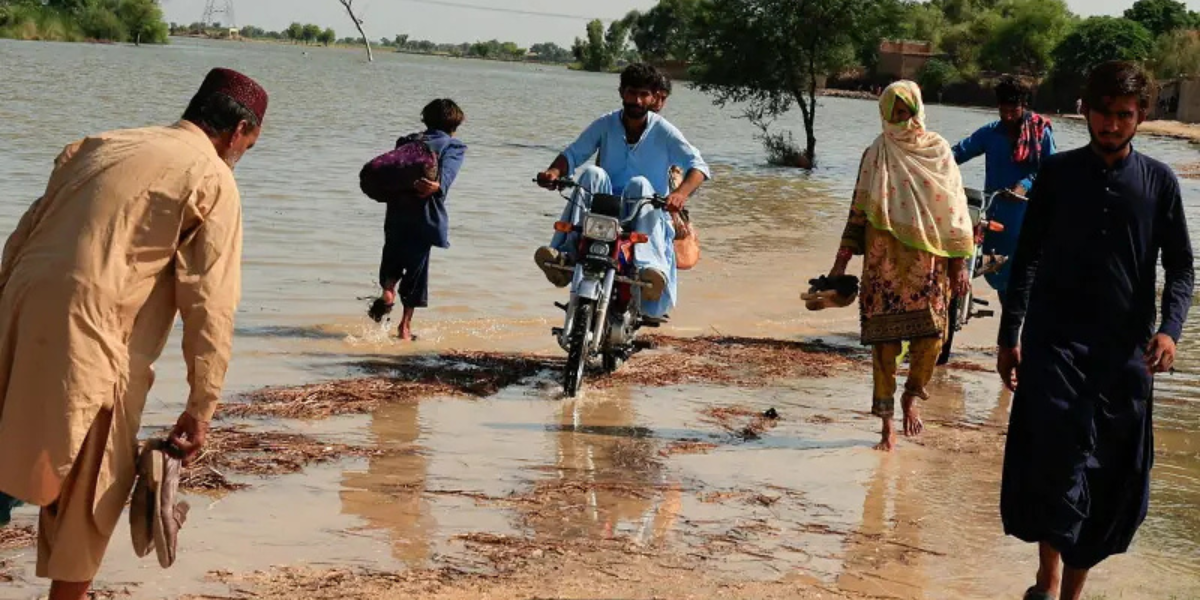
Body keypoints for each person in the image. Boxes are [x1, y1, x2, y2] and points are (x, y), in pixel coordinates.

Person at [0, 67, 267, 600]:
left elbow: (21, 240)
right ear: (238, 132)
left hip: (14, 313)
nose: (243, 154)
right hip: (95, 341)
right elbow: (210, 304)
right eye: (249, 145)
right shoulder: (212, 177)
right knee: (89, 499)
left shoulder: (99, 145)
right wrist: (201, 407)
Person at [997, 61, 1194, 600]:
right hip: (1054, 343)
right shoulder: (1057, 176)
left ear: (1142, 116)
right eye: (1103, 113)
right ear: (1085, 110)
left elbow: (1180, 267)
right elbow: (1027, 261)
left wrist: (1170, 329)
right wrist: (1008, 335)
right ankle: (1049, 577)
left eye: (1123, 115)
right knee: (1057, 462)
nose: (1110, 125)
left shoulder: (1160, 182)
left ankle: (1071, 590)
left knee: (1108, 474)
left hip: (1123, 352)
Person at [830, 80, 973, 452]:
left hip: (928, 265)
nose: (901, 123)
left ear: (918, 112)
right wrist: (839, 265)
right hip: (883, 266)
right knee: (884, 349)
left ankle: (913, 394)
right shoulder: (875, 154)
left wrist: (959, 265)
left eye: (906, 114)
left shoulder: (939, 151)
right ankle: (887, 426)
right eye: (894, 116)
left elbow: (955, 211)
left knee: (932, 340)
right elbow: (858, 212)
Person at [534, 63, 710, 320]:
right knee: (592, 175)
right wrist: (553, 173)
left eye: (643, 95)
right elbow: (573, 154)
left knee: (639, 183)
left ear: (653, 98)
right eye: (631, 93)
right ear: (621, 92)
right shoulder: (605, 124)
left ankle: (648, 269)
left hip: (644, 213)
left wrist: (680, 194)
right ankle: (566, 255)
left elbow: (698, 166)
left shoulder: (663, 131)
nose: (636, 100)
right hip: (603, 212)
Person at [951, 75, 1057, 304]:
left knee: (1024, 275)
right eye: (1003, 111)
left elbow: (1052, 169)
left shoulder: (1040, 133)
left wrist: (1025, 184)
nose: (1008, 116)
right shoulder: (990, 133)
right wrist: (932, 161)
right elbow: (958, 153)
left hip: (1027, 215)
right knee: (998, 271)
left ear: (1024, 106)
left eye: (1014, 111)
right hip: (995, 212)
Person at [368, 99, 467, 341]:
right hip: (425, 218)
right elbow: (445, 179)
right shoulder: (453, 146)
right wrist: (436, 185)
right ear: (455, 124)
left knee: (391, 259)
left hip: (396, 214)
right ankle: (404, 327)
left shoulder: (406, 141)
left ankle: (388, 292)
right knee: (416, 273)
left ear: (425, 119)